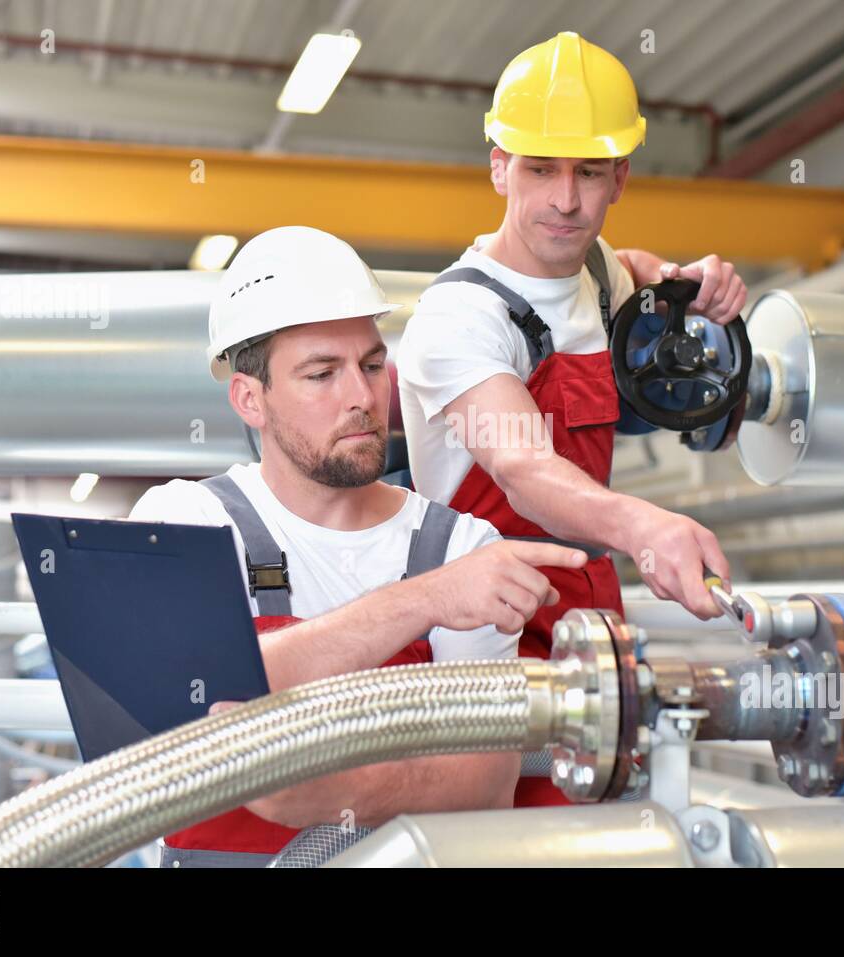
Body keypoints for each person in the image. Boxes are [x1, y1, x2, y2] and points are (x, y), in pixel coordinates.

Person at [129, 225, 586, 866]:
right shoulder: (185, 520)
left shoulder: (460, 545)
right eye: (322, 374)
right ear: (248, 399)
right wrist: (424, 602)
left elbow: (483, 781)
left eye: (372, 365)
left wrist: (314, 790)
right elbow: (189, 697)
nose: (363, 397)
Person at [396, 32, 748, 804]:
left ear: (619, 176)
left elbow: (636, 271)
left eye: (589, 172)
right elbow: (524, 472)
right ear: (498, 166)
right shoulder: (459, 315)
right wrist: (647, 528)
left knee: (603, 823)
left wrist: (687, 287)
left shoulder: (600, 271)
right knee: (502, 835)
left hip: (589, 609)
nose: (564, 199)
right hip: (487, 632)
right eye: (540, 169)